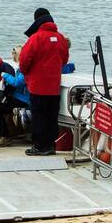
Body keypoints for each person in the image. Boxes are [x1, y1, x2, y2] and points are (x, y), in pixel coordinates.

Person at [18, 9, 71, 155]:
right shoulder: (60, 38)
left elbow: (24, 61)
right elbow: (65, 60)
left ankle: (40, 146)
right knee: (51, 117)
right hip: (54, 86)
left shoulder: (35, 38)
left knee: (39, 117)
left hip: (37, 86)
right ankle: (50, 146)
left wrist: (28, 73)